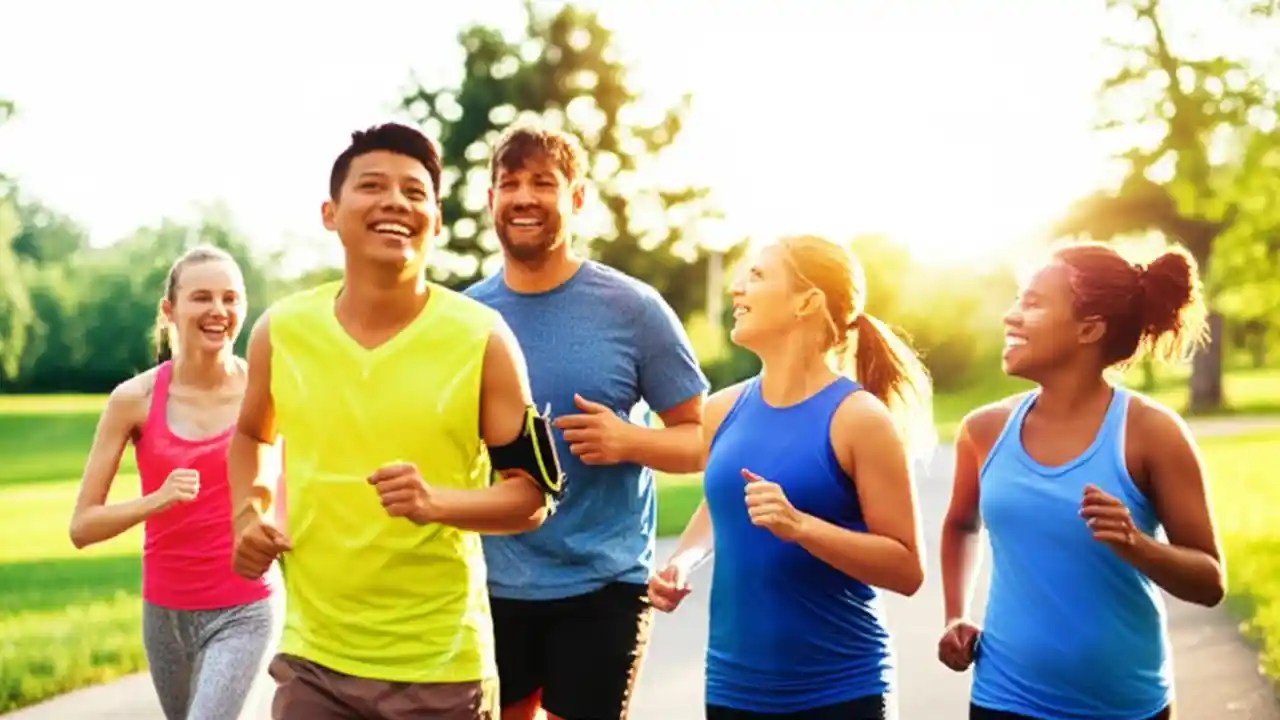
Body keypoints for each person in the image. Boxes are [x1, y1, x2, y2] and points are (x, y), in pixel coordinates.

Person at [227, 122, 565, 720]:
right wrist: (247, 513)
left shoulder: (482, 339)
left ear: (436, 221)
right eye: (373, 186)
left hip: (438, 667)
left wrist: (436, 502)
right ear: (331, 213)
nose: (394, 202)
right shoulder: (280, 332)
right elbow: (253, 434)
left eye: (415, 192)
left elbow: (531, 498)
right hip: (314, 658)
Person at [464, 123, 709, 720]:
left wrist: (631, 441)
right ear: (491, 200)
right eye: (509, 183)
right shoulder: (464, 318)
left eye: (542, 182)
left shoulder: (634, 309)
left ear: (575, 199)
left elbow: (703, 441)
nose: (523, 196)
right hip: (492, 586)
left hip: (604, 587)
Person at [650, 234, 933, 720]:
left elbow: (907, 569)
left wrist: (801, 527)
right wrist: (683, 560)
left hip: (840, 693)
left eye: (757, 275)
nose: (737, 289)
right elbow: (726, 502)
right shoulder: (722, 410)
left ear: (807, 301)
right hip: (732, 689)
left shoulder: (858, 419)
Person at [937, 241, 1225, 720]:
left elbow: (1210, 581)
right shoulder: (983, 430)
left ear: (1089, 329)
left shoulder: (1151, 433)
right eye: (1016, 300)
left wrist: (1136, 543)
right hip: (1002, 699)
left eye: (1032, 304)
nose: (1011, 317)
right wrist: (954, 615)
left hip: (1124, 706)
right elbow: (962, 525)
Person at [68, 245, 275, 720]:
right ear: (169, 310)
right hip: (164, 611)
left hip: (245, 605)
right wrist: (156, 501)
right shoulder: (133, 400)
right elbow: (82, 527)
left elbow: (295, 481)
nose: (218, 311)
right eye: (201, 297)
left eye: (231, 298)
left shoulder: (265, 391)